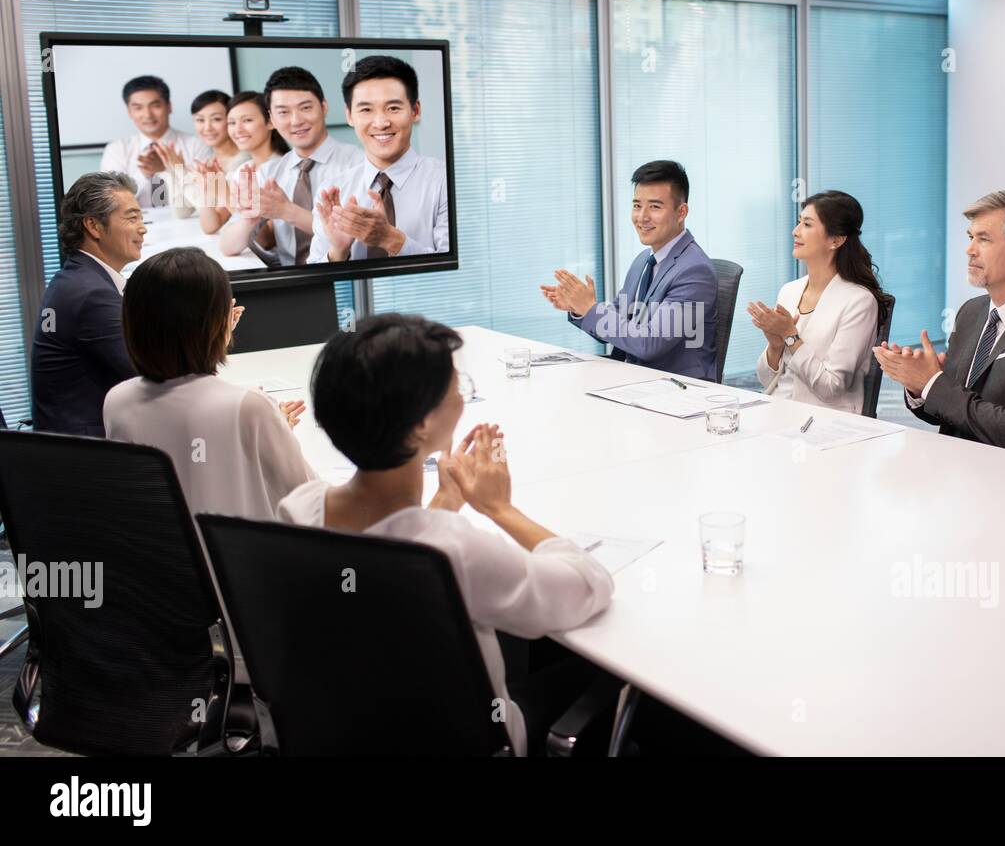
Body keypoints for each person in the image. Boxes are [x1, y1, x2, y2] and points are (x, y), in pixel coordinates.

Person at [276, 314, 613, 756]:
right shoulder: (454, 549)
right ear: (421, 425)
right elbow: (588, 585)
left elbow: (396, 547)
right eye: (457, 387)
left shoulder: (298, 511)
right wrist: (499, 508)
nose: (462, 396)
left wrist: (446, 501)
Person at [873, 189, 1005, 462]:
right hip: (960, 468)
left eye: (983, 239)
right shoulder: (971, 312)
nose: (969, 249)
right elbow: (950, 410)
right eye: (970, 237)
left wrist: (934, 383)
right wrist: (920, 385)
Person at [103, 247, 313, 519]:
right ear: (214, 323)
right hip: (235, 559)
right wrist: (275, 427)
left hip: (163, 558)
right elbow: (309, 501)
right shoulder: (249, 407)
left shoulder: (117, 401)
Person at [541, 160, 718, 381]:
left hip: (678, 392)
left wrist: (591, 308)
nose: (642, 217)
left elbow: (649, 343)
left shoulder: (695, 271)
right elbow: (618, 322)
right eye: (636, 205)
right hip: (635, 381)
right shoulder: (643, 260)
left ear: (681, 212)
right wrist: (581, 309)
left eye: (655, 206)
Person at [749, 190, 886, 414]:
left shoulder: (859, 302)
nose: (795, 231)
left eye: (807, 224)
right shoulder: (789, 291)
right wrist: (775, 346)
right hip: (780, 412)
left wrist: (791, 337)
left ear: (836, 240)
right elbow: (767, 381)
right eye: (798, 222)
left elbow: (832, 388)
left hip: (826, 422)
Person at [30, 172, 144, 436]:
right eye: (131, 217)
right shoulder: (90, 294)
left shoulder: (81, 278)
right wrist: (210, 336)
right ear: (93, 226)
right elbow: (153, 373)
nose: (143, 227)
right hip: (86, 457)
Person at [308, 55, 449, 262]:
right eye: (366, 109)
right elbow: (315, 282)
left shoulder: (445, 181)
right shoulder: (331, 191)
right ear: (349, 116)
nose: (381, 122)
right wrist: (338, 252)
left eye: (393, 108)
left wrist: (390, 239)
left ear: (415, 111)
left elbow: (460, 271)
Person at [228, 66, 365, 267]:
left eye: (306, 108)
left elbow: (358, 239)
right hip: (289, 281)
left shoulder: (358, 163)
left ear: (324, 107)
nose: (296, 120)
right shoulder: (270, 172)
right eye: (283, 112)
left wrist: (286, 211)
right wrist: (250, 218)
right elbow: (228, 246)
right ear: (272, 119)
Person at [194, 91, 287, 252]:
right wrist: (207, 188)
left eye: (247, 120)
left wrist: (224, 194)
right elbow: (211, 226)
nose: (238, 130)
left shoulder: (282, 169)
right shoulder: (243, 169)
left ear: (270, 122)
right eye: (231, 123)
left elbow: (265, 240)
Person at [100, 75, 210, 209]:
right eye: (138, 108)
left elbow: (206, 197)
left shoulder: (196, 146)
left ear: (169, 106)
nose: (147, 115)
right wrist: (144, 174)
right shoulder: (116, 150)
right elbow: (112, 201)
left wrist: (169, 170)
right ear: (129, 112)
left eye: (155, 105)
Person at [189, 90, 246, 173]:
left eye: (216, 119)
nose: (207, 128)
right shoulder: (205, 161)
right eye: (200, 120)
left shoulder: (245, 162)